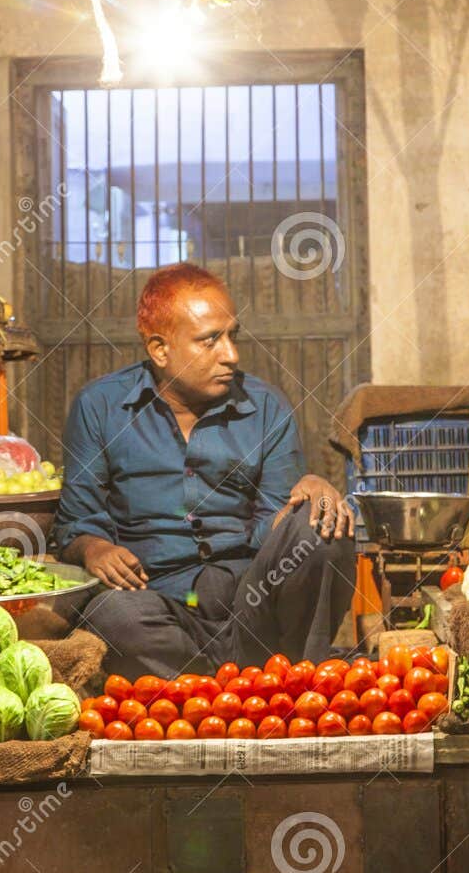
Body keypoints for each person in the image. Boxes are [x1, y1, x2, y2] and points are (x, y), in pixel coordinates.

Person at [52, 262, 356, 679]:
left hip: (254, 603)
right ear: (160, 349)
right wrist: (94, 548)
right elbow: (74, 524)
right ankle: (248, 681)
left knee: (322, 525)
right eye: (209, 340)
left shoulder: (266, 407)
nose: (230, 355)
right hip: (156, 605)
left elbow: (276, 528)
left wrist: (309, 494)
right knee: (112, 615)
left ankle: (280, 673)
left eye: (232, 336)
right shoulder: (100, 407)